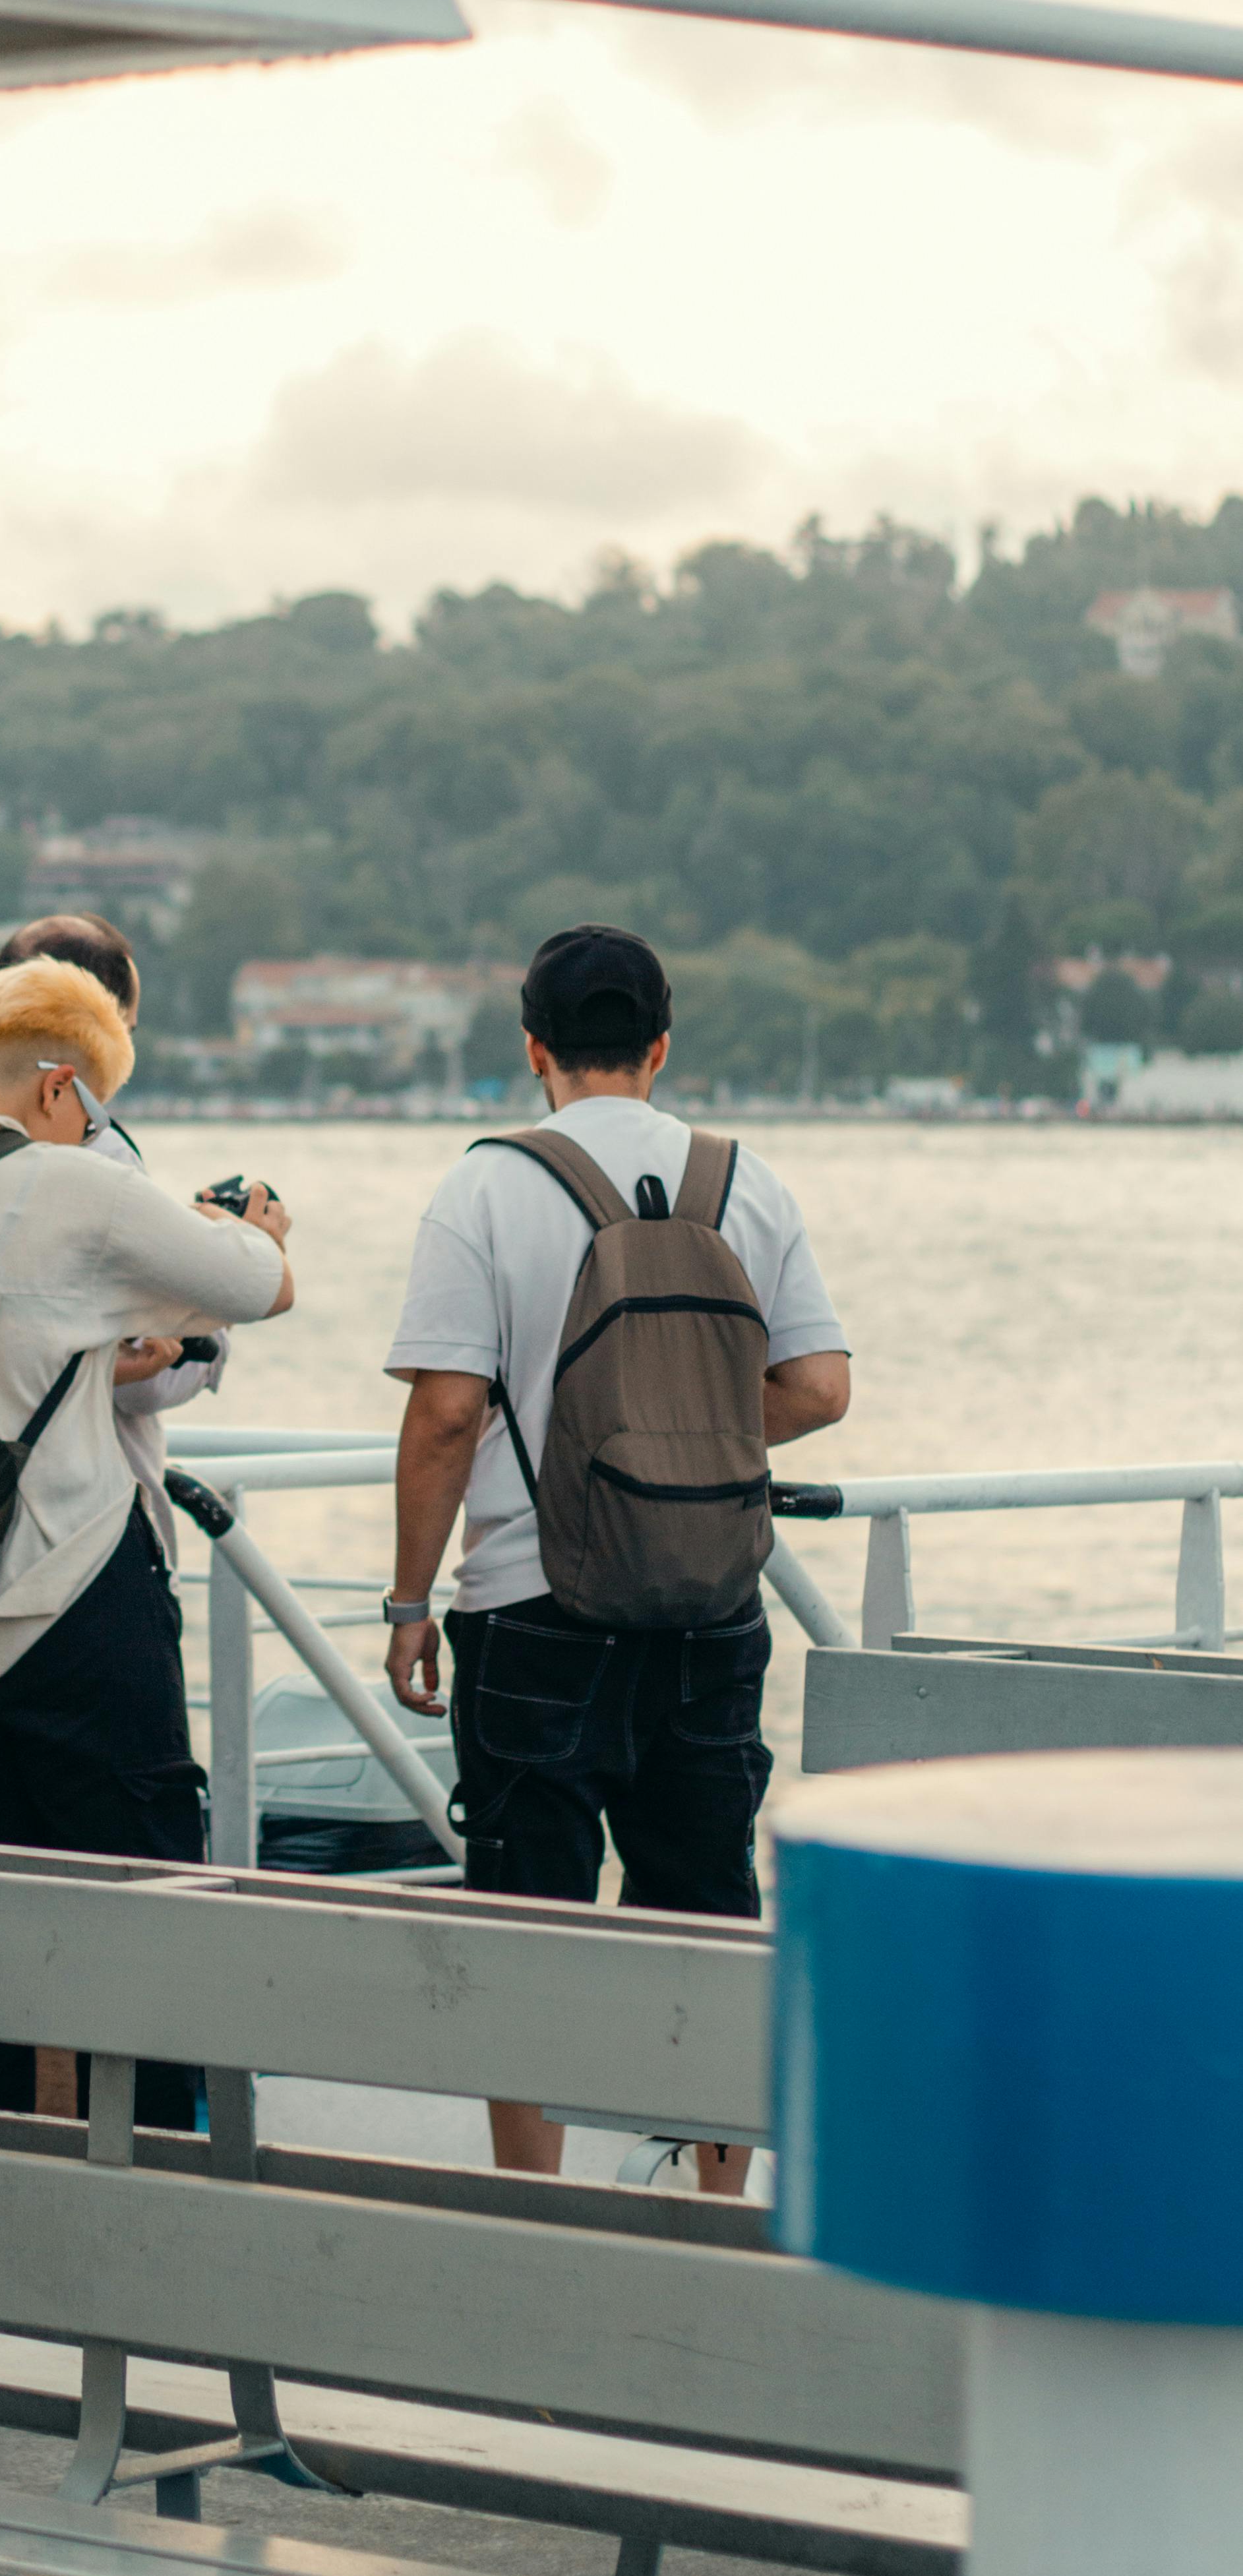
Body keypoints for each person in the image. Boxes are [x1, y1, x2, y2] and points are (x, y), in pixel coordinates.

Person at [381, 925, 849, 2192]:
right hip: (709, 1600)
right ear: (658, 1046)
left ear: (533, 1049)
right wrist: (684, 1425)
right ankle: (713, 2206)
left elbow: (443, 1416)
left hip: (531, 1607)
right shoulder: (742, 1180)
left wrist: (408, 1602)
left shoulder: (483, 1185)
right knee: (704, 1908)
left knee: (528, 1921)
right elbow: (818, 1386)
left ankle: (531, 2210)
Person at [0, 954, 291, 2118]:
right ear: (59, 1088)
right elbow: (249, 1284)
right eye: (97, 1109)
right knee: (147, 1922)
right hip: (63, 1600)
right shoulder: (69, 1186)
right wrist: (251, 1224)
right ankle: (140, 2210)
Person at [0, 911, 229, 1555]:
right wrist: (215, 1309)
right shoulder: (99, 1161)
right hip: (85, 1537)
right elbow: (144, 1379)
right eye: (125, 1030)